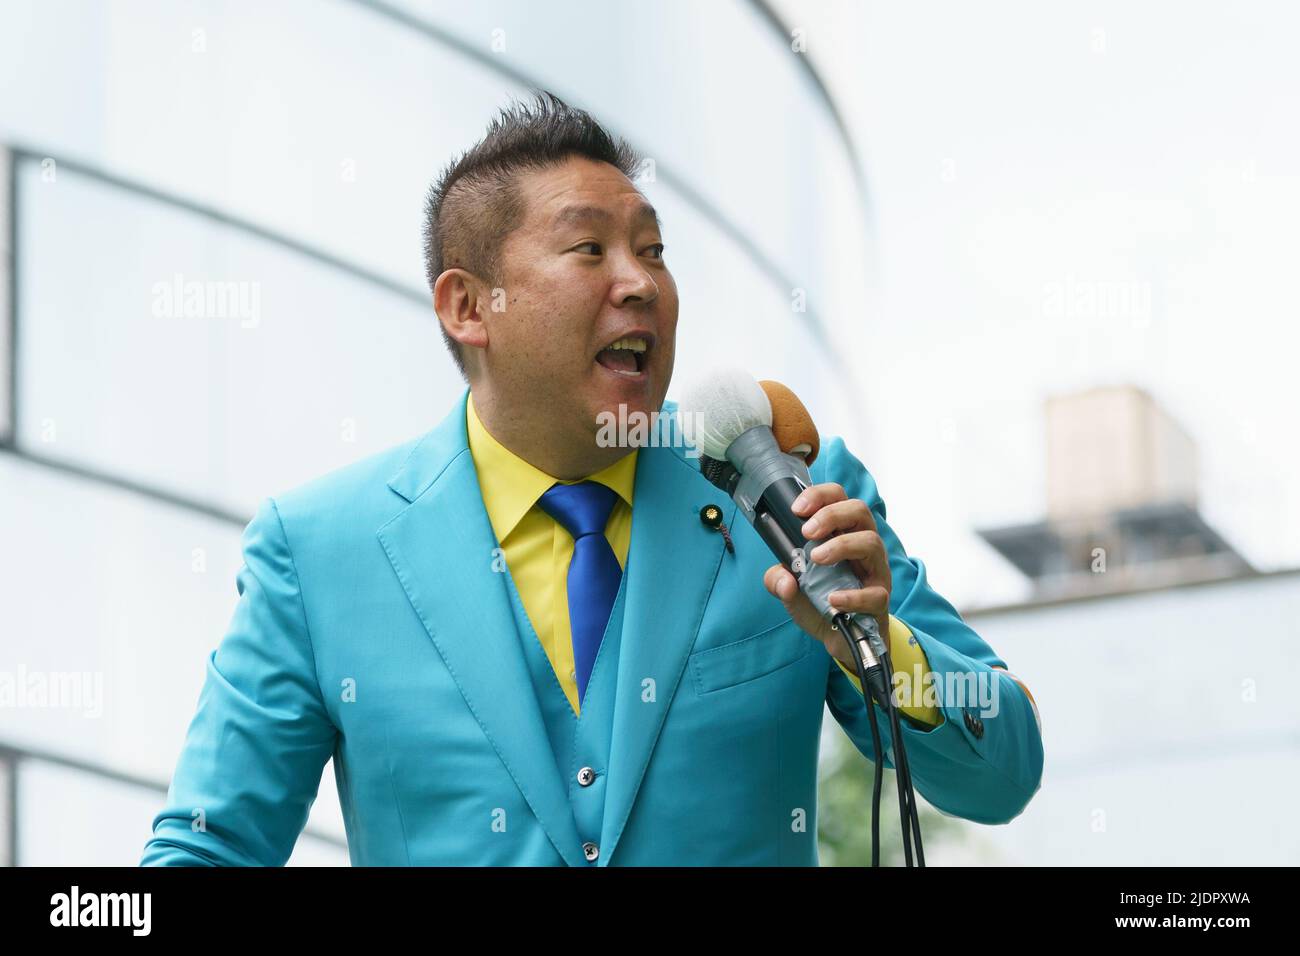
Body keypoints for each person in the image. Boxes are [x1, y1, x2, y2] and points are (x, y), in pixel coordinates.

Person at [141, 91, 1042, 867]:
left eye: (652, 250)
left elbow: (1005, 769)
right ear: (468, 307)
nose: (640, 283)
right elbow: (206, 847)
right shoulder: (320, 552)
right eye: (588, 250)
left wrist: (884, 654)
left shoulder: (792, 495)